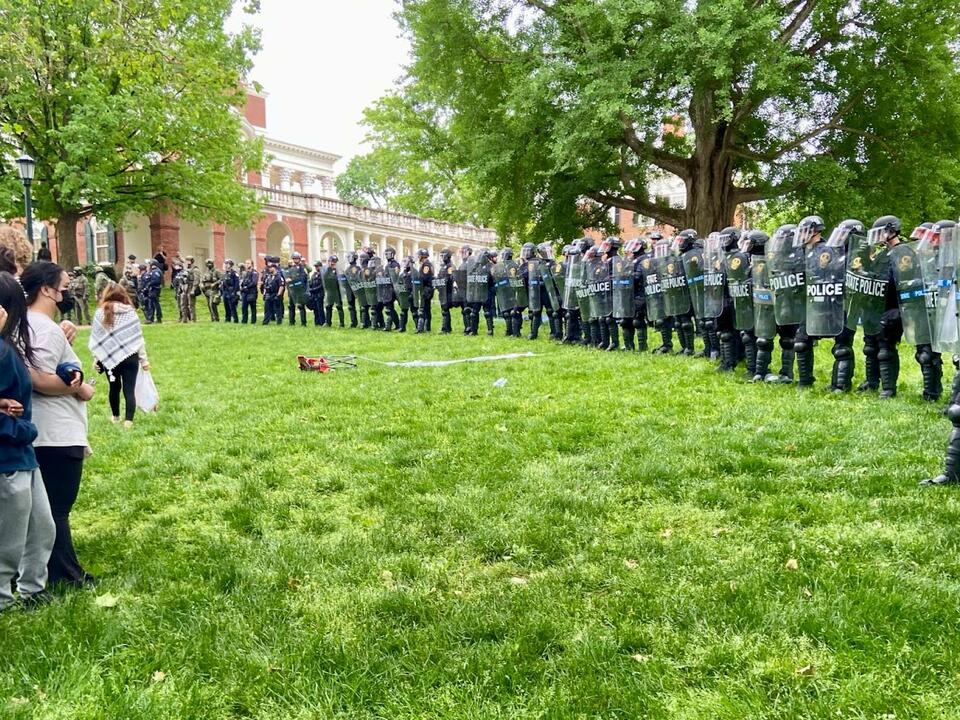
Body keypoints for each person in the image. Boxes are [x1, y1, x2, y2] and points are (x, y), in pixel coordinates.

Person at [21, 261, 96, 589]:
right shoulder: (43, 328)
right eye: (63, 288)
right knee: (57, 508)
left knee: (48, 508)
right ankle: (64, 573)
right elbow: (38, 377)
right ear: (47, 289)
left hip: (47, 430)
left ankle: (54, 570)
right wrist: (80, 387)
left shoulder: (27, 324)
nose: (66, 292)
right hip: (56, 432)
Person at [0, 271, 56, 611]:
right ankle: (3, 599)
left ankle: (33, 589)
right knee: (9, 536)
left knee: (41, 525)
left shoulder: (9, 348)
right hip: (8, 454)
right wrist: (18, 430)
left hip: (22, 451)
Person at [89, 282, 150, 427]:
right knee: (129, 388)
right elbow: (137, 339)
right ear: (123, 295)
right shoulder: (130, 312)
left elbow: (98, 339)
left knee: (114, 387)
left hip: (109, 357)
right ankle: (128, 420)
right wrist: (144, 360)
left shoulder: (99, 313)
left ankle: (115, 417)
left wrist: (96, 358)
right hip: (131, 356)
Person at [284, 252, 309, 327]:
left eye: (297, 258)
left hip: (299, 290)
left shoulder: (302, 268)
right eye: (294, 258)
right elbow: (287, 277)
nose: (295, 260)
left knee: (301, 306)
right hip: (292, 290)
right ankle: (291, 322)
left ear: (299, 259)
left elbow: (303, 278)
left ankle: (303, 323)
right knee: (291, 306)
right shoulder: (291, 269)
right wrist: (288, 279)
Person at [322, 255, 344, 328]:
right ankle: (328, 322)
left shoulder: (339, 270)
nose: (333, 263)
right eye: (332, 261)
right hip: (330, 290)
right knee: (328, 307)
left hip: (337, 291)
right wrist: (330, 269)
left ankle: (341, 323)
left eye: (334, 262)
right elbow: (325, 278)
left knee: (339, 307)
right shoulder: (326, 270)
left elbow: (341, 279)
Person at [416, 248, 434, 333]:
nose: (418, 257)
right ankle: (427, 328)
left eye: (419, 255)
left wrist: (417, 280)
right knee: (427, 308)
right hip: (428, 288)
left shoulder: (426, 265)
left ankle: (421, 328)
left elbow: (425, 277)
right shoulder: (428, 264)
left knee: (423, 308)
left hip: (426, 289)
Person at [179, 256, 202, 322]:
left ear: (191, 261)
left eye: (188, 260)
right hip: (184, 288)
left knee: (191, 305)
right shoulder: (185, 269)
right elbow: (181, 278)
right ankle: (184, 319)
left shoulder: (195, 270)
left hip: (191, 287)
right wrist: (181, 286)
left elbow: (196, 280)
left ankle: (193, 319)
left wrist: (193, 290)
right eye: (186, 260)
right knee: (183, 304)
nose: (187, 262)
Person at [239, 259, 259, 324]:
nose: (247, 265)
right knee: (244, 307)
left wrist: (247, 287)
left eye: (248, 263)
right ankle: (244, 321)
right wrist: (242, 287)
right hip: (245, 292)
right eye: (246, 263)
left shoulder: (254, 273)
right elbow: (243, 281)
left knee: (252, 307)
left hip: (251, 292)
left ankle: (253, 321)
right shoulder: (246, 273)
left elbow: (254, 282)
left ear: (252, 264)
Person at [220, 259, 240, 323]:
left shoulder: (234, 273)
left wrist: (234, 292)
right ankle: (227, 319)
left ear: (230, 265)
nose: (225, 265)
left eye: (227, 264)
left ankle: (235, 319)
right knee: (226, 306)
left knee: (232, 307)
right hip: (225, 292)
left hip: (231, 291)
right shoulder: (224, 274)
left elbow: (237, 283)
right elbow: (222, 283)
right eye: (225, 264)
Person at [308, 260, 326, 326]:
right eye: (315, 266)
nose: (316, 268)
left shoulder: (323, 274)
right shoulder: (314, 274)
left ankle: (322, 322)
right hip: (313, 294)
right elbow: (310, 282)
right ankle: (317, 322)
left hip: (319, 293)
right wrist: (310, 288)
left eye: (317, 266)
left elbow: (322, 285)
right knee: (315, 309)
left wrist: (313, 289)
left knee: (320, 308)